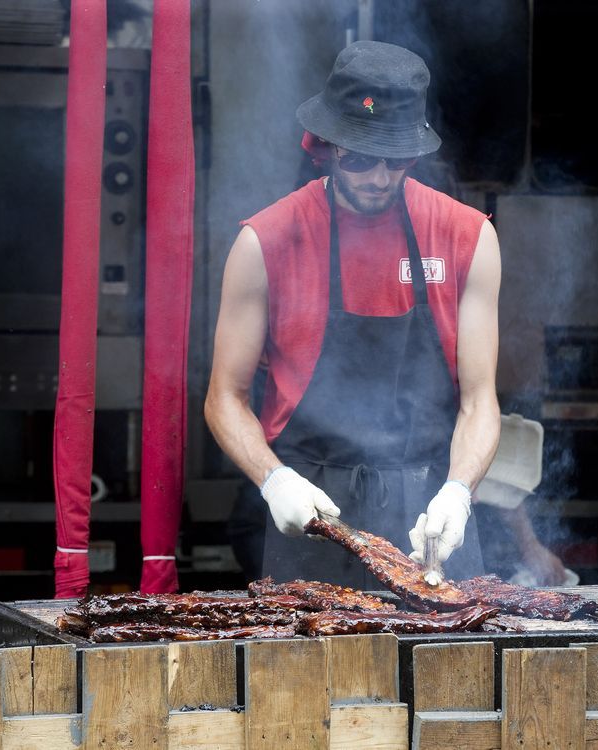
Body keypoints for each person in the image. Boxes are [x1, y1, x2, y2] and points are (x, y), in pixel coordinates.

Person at [204, 41, 501, 588]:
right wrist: (274, 482)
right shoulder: (265, 242)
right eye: (360, 157)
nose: (379, 177)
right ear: (325, 145)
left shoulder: (467, 237)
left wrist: (459, 492)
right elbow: (224, 397)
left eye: (396, 159)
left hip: (428, 519)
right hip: (311, 510)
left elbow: (480, 401)